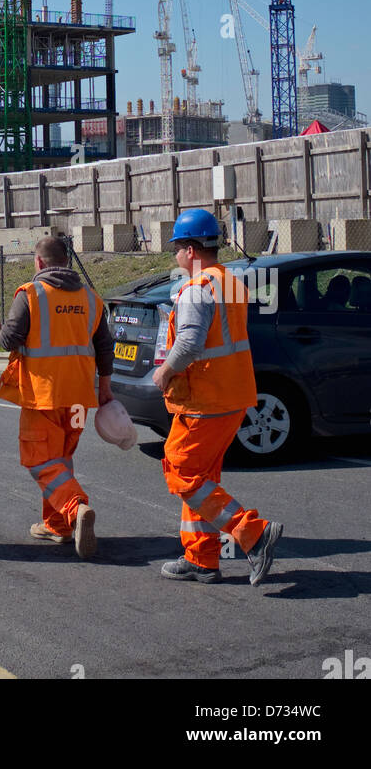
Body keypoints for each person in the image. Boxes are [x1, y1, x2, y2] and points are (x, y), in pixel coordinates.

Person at [152, 208, 283, 586]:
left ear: (191, 250)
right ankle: (202, 559)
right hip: (230, 395)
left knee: (181, 474)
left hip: (204, 400)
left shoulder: (197, 290)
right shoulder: (230, 282)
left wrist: (165, 371)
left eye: (177, 247)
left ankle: (253, 534)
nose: (176, 254)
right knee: (202, 477)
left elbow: (191, 343)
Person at [0, 235, 114, 557]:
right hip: (79, 397)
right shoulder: (91, 298)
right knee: (61, 459)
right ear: (67, 262)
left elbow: (9, 340)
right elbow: (104, 347)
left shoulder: (31, 293)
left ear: (39, 263)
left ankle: (76, 510)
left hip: (44, 394)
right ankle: (57, 525)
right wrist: (104, 386)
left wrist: (1, 330)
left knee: (40, 459)